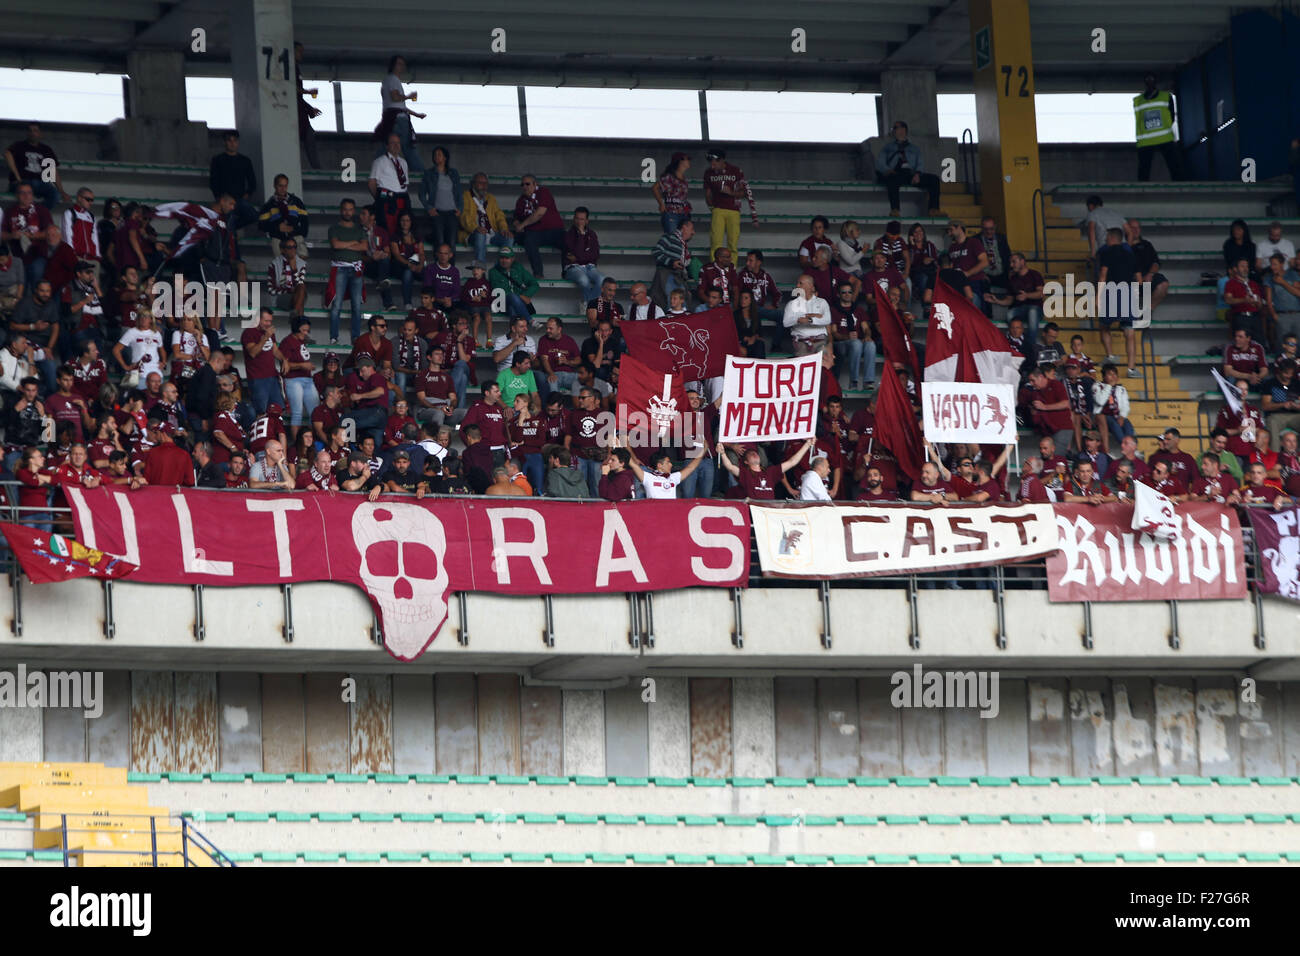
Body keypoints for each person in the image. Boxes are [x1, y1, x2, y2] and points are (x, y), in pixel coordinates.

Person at [1096, 227, 1140, 377]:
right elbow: (1139, 280)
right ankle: (1131, 368)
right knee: (1130, 332)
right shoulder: (1130, 254)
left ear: (1113, 238)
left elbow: (1103, 275)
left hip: (1111, 292)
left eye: (1107, 237)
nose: (1106, 239)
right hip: (1127, 292)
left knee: (1104, 325)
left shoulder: (1106, 252)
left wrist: (1097, 297)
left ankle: (1110, 355)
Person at [875, 121, 942, 216]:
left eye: (895, 128)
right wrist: (888, 171)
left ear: (903, 130)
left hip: (910, 174)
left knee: (934, 180)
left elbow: (920, 163)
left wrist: (918, 174)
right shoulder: (887, 148)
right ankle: (895, 210)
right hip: (895, 173)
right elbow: (880, 163)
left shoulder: (914, 149)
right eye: (893, 129)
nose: (894, 131)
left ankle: (934, 209)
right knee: (892, 180)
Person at [374, 55, 426, 177]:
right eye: (399, 64)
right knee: (408, 147)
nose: (402, 67)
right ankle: (421, 174)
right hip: (399, 120)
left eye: (403, 64)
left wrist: (416, 115)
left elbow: (398, 105)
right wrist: (409, 96)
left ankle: (376, 168)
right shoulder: (393, 80)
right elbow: (395, 97)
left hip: (391, 117)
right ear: (393, 66)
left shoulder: (387, 80)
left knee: (387, 145)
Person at [701, 148, 756, 261]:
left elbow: (744, 192)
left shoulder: (735, 171)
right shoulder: (708, 173)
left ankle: (731, 270)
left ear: (721, 160)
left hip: (733, 210)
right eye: (710, 163)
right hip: (718, 209)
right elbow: (707, 194)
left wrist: (731, 192)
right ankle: (715, 270)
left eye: (714, 163)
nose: (712, 166)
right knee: (715, 243)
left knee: (732, 244)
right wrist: (713, 208)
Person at [326, 199, 367, 345]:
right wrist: (353, 243)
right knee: (336, 305)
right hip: (340, 268)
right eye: (345, 209)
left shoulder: (359, 229)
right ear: (340, 210)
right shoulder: (334, 228)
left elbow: (364, 247)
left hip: (355, 269)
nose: (347, 212)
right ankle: (334, 337)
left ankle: (355, 337)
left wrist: (345, 245)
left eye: (350, 209)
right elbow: (336, 245)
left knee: (356, 305)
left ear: (353, 211)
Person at [717, 438, 813, 499]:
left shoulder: (770, 472)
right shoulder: (745, 474)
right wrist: (722, 453)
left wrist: (808, 444)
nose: (754, 454)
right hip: (754, 511)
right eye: (750, 454)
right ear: (746, 462)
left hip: (769, 511)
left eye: (755, 453)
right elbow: (730, 467)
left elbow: (792, 462)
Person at [510, 175, 564, 279]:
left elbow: (540, 213)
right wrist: (517, 225)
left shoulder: (543, 192)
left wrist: (523, 225)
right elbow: (516, 217)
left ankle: (568, 272)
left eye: (527, 184)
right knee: (528, 240)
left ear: (535, 184)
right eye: (522, 184)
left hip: (553, 231)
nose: (524, 186)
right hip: (534, 233)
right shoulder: (521, 200)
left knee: (568, 241)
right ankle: (538, 274)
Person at [5, 123, 69, 208]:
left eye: (35, 130)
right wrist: (18, 178)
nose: (32, 133)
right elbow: (7, 153)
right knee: (26, 192)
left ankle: (37, 214)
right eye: (30, 130)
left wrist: (61, 191)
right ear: (27, 133)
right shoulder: (19, 145)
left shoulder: (46, 149)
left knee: (55, 195)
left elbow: (53, 171)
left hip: (40, 184)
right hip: (22, 181)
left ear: (40, 134)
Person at [1134, 72, 1183, 181]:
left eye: (1151, 80)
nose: (1150, 83)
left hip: (1163, 137)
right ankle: (1143, 189)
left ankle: (1179, 183)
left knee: (1174, 165)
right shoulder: (1138, 100)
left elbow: (1171, 116)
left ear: (1155, 82)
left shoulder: (1166, 97)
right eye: (1148, 80)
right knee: (1144, 169)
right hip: (1146, 140)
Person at [459, 172, 513, 264]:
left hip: (491, 234)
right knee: (480, 235)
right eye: (480, 183)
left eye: (485, 183)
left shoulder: (490, 198)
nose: (484, 186)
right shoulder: (466, 196)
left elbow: (499, 215)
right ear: (473, 184)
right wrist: (475, 228)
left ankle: (501, 271)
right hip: (472, 233)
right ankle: (480, 271)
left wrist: (504, 229)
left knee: (508, 238)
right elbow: (464, 215)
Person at [369, 133, 412, 247]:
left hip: (402, 199)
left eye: (398, 143)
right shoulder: (380, 161)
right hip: (387, 201)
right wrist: (380, 199)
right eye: (393, 143)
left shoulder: (403, 162)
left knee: (402, 229)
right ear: (387, 146)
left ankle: (401, 253)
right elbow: (372, 182)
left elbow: (405, 184)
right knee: (388, 229)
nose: (396, 145)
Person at [208, 131, 258, 229]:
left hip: (239, 200)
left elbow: (252, 183)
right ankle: (230, 230)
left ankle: (230, 228)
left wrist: (245, 196)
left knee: (254, 216)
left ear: (238, 142)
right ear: (225, 142)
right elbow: (213, 181)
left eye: (234, 140)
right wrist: (220, 198)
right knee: (227, 224)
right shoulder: (218, 160)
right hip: (224, 200)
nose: (232, 143)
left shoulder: (245, 161)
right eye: (229, 140)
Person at [280, 316, 317, 445]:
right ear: (296, 329)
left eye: (307, 330)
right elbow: (285, 365)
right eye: (303, 330)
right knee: (297, 413)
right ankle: (297, 445)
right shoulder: (287, 342)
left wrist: (306, 366)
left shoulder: (302, 341)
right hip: (293, 379)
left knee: (315, 413)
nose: (306, 333)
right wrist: (302, 365)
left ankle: (312, 444)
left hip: (307, 378)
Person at [241, 307, 285, 414]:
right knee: (261, 411)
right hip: (257, 379)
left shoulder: (269, 333)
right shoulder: (248, 333)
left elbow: (275, 351)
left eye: (270, 321)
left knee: (277, 410)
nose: (269, 324)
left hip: (272, 377)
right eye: (266, 321)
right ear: (257, 319)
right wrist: (265, 337)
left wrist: (284, 360)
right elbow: (253, 353)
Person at [257, 173, 310, 260]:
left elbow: (305, 223)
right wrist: (277, 228)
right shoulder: (269, 205)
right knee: (280, 263)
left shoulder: (296, 202)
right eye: (280, 186)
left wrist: (293, 229)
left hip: (295, 235)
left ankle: (298, 272)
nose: (283, 189)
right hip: (278, 238)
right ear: (275, 186)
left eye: (285, 186)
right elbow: (261, 226)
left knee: (302, 256)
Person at [419, 146, 462, 254]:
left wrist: (460, 208)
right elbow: (422, 193)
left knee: (451, 243)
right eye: (435, 155)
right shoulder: (429, 174)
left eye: (439, 154)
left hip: (452, 213)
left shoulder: (454, 173)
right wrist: (429, 208)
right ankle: (438, 269)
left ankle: (451, 269)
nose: (436, 157)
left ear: (445, 157)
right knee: (439, 242)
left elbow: (458, 193)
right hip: (437, 212)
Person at [946, 220, 991, 316]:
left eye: (951, 229)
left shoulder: (973, 242)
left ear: (959, 228)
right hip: (957, 286)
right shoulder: (951, 247)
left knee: (971, 307)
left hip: (973, 283)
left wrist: (967, 273)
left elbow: (984, 261)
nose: (949, 233)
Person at [562, 207, 604, 307]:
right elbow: (577, 252)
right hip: (572, 268)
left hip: (590, 267)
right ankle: (590, 307)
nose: (578, 221)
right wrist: (581, 234)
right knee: (584, 281)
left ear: (586, 221)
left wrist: (578, 258)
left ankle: (588, 305)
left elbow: (595, 255)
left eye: (581, 219)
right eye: (577, 218)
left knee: (603, 280)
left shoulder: (592, 234)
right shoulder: (568, 235)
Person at [650, 220, 695, 310]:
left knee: (682, 300)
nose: (693, 232)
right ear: (684, 227)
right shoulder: (669, 237)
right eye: (692, 229)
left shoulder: (682, 243)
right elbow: (656, 252)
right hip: (668, 274)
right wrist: (671, 262)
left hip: (678, 276)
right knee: (674, 300)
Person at [488, 247, 539, 326]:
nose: (504, 260)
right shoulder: (493, 272)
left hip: (518, 304)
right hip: (501, 304)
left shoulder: (519, 268)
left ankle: (516, 335)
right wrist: (519, 296)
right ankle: (530, 320)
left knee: (513, 309)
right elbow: (499, 292)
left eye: (507, 258)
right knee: (512, 296)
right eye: (502, 258)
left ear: (512, 258)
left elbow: (534, 284)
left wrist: (526, 295)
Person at [783, 274, 831, 357]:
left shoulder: (822, 302)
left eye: (800, 283)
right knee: (803, 363)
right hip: (801, 342)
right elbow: (785, 323)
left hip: (820, 341)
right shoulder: (792, 304)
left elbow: (827, 320)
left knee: (825, 358)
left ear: (810, 286)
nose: (797, 285)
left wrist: (810, 320)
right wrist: (798, 320)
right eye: (797, 283)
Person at [1224, 256, 1267, 345]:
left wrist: (1258, 303)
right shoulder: (1231, 283)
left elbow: (1260, 303)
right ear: (1236, 269)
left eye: (1246, 266)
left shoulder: (1253, 283)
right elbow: (1228, 300)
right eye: (1242, 266)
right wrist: (1244, 300)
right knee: (1242, 344)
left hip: (1255, 317)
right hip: (1241, 317)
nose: (1245, 269)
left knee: (1259, 343)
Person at [388, 211, 424, 311]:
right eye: (403, 220)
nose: (405, 223)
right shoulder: (395, 236)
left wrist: (421, 265)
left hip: (415, 265)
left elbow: (421, 253)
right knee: (408, 273)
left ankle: (429, 304)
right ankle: (407, 303)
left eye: (407, 220)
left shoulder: (417, 236)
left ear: (411, 222)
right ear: (399, 222)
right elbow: (397, 255)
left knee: (429, 273)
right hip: (400, 266)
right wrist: (409, 265)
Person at [266, 237, 307, 321]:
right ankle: (300, 325)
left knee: (301, 287)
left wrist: (294, 269)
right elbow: (271, 290)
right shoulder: (274, 264)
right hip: (281, 297)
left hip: (296, 296)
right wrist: (287, 290)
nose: (293, 250)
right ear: (282, 250)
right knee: (300, 298)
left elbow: (299, 284)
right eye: (289, 247)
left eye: (294, 247)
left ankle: (295, 313)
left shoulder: (301, 264)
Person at [1264, 251, 1300, 346]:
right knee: (1283, 344)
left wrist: (1282, 282)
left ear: (1282, 264)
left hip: (1297, 314)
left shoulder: (1292, 274)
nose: (1272, 267)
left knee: (1298, 345)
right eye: (1271, 264)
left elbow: (1298, 293)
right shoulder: (1269, 278)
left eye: (1275, 264)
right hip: (1282, 315)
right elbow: (1269, 300)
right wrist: (1274, 315)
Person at [652, 152, 692, 235]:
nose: (688, 161)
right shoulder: (669, 177)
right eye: (686, 159)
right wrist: (661, 204)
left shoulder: (683, 178)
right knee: (672, 237)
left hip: (682, 212)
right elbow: (655, 187)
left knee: (681, 238)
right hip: (671, 212)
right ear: (680, 162)